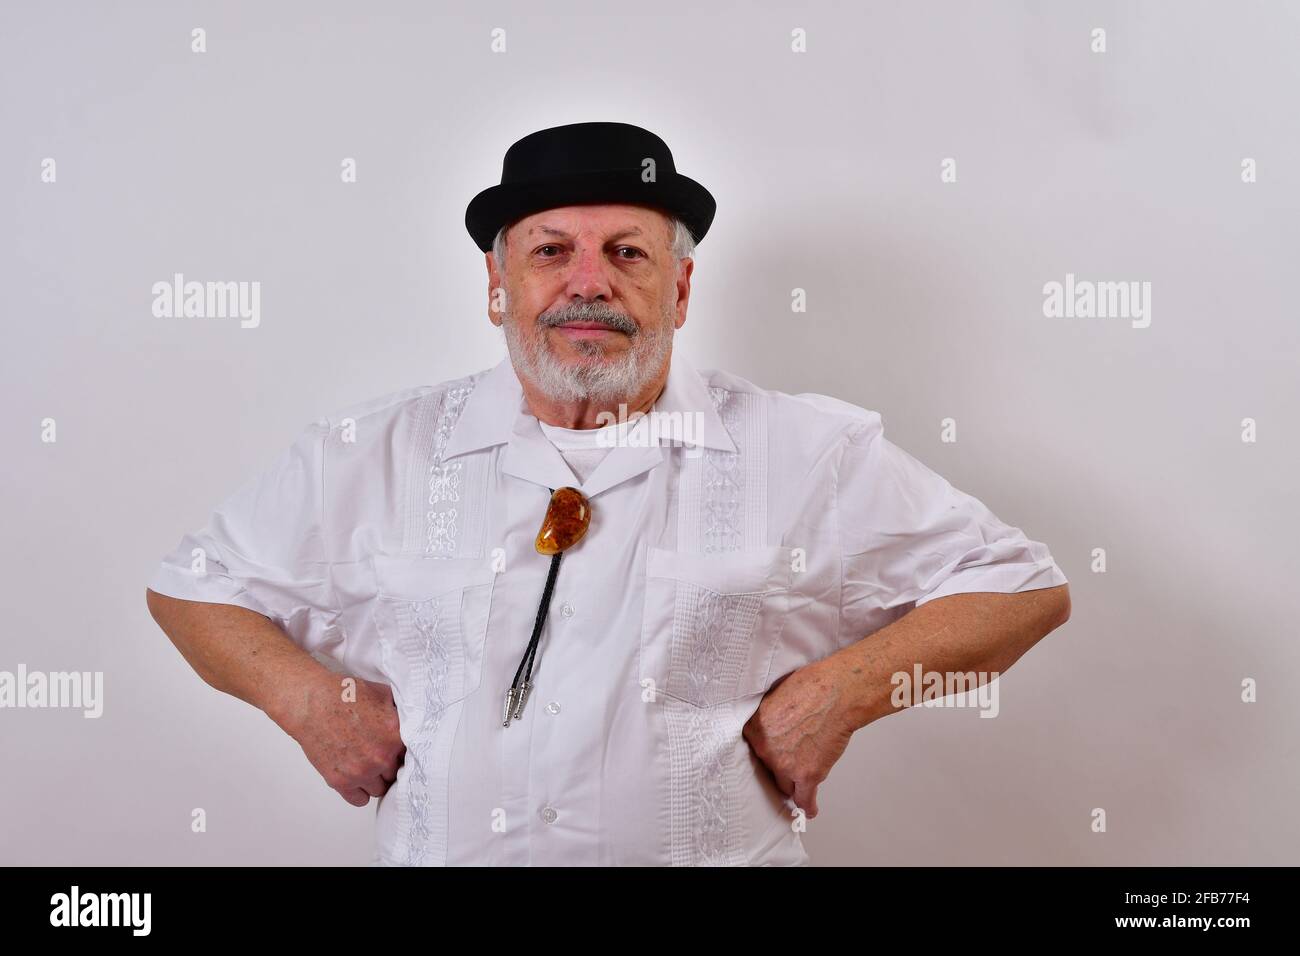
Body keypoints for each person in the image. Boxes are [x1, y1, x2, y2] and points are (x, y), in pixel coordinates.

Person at [145, 121, 1071, 866]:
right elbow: (194, 586)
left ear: (681, 286)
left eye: (628, 253)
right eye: (551, 250)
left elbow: (1023, 588)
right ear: (497, 285)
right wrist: (306, 700)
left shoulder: (810, 449)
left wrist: (841, 692)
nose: (590, 283)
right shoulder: (367, 450)